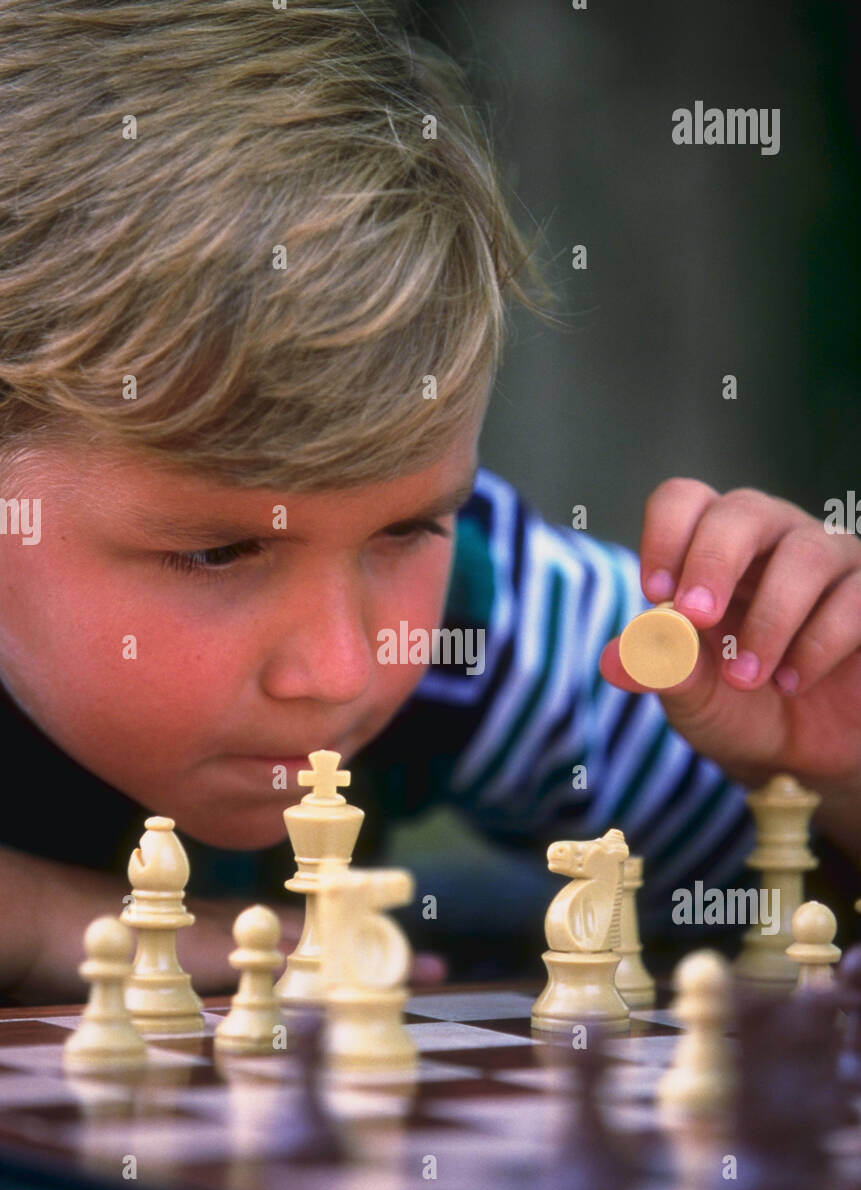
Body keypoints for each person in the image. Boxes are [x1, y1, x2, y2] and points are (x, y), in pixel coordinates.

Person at [0, 1, 858, 1003]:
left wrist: (830, 769)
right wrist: (43, 917)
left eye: (407, 528)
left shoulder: (489, 619)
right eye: (219, 551)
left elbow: (790, 899)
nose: (340, 668)